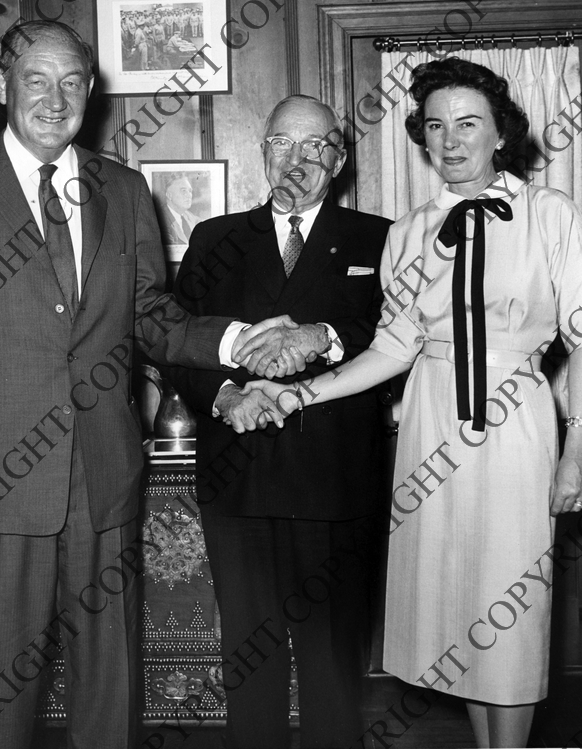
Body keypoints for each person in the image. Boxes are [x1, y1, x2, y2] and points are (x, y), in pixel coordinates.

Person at [0, 20, 305, 749]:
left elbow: (152, 315)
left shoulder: (124, 188)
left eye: (73, 81)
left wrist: (236, 339)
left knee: (110, 690)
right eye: (37, 79)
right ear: (0, 84)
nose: (56, 97)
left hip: (104, 476)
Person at [241, 59, 582, 749]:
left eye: (467, 124)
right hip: (428, 430)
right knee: (459, 613)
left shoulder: (550, 214)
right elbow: (390, 350)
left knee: (508, 611)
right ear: (420, 138)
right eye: (435, 126)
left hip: (515, 427)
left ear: (499, 135)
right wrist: (295, 390)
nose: (450, 141)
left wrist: (576, 446)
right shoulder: (409, 231)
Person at [168, 94, 390, 749]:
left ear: (340, 158)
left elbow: (404, 340)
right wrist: (226, 394)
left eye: (316, 144)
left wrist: (327, 337)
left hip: (336, 481)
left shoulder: (379, 237)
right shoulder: (214, 238)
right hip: (239, 480)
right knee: (249, 654)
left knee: (332, 665)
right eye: (283, 145)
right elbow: (173, 343)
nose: (298, 159)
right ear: (263, 152)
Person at [160, 175, 200, 244]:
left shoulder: (189, 216)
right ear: (169, 195)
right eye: (183, 190)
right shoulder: (160, 219)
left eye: (190, 191)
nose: (189, 195)